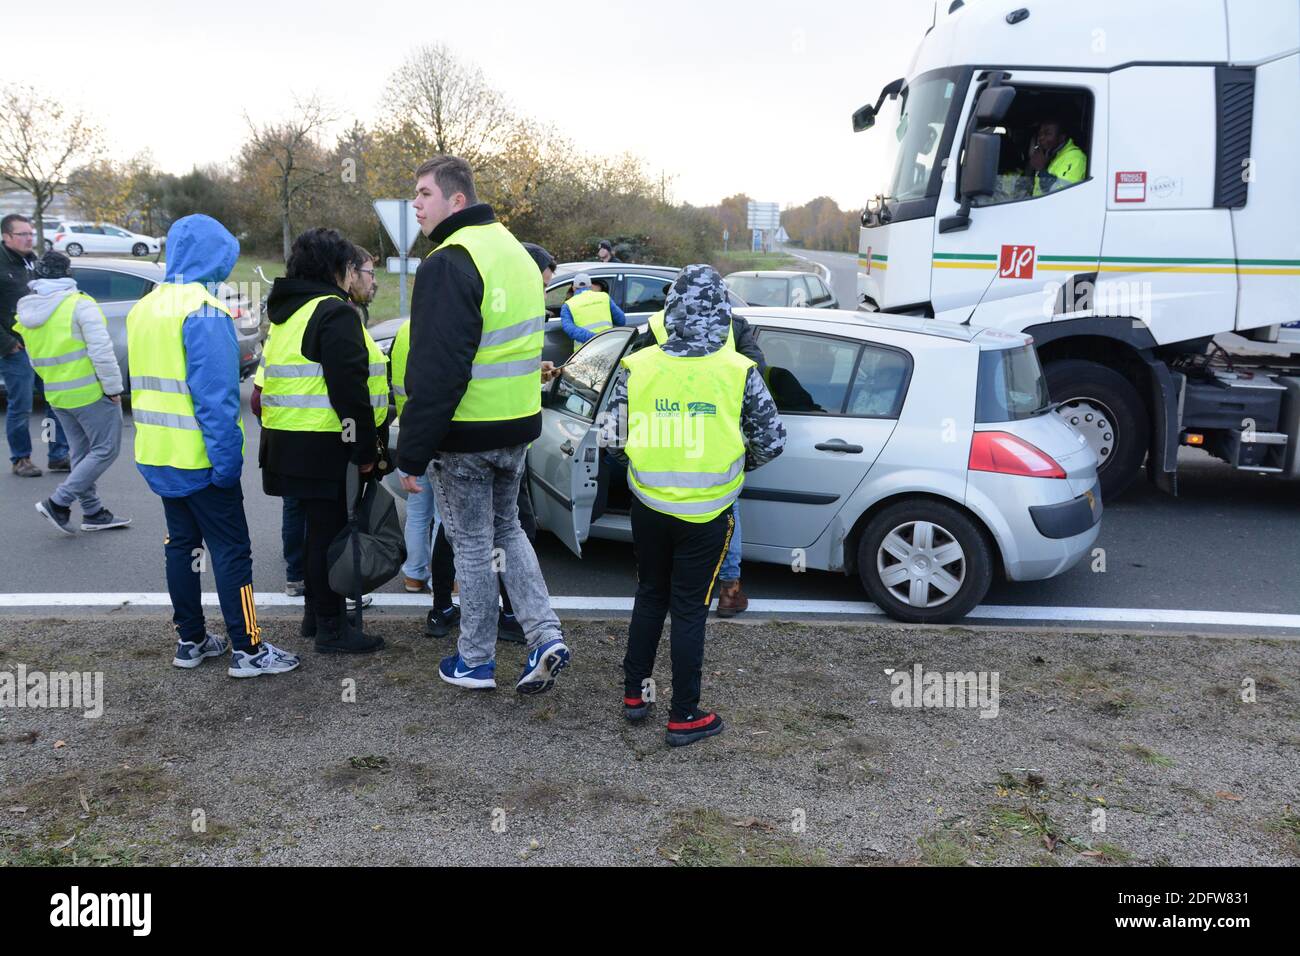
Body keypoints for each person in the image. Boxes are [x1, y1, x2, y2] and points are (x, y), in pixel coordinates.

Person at [396, 154, 569, 694]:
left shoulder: (449, 260)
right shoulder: (516, 254)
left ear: (457, 201)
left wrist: (412, 451)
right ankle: (544, 634)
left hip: (467, 433)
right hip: (515, 425)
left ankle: (474, 660)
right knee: (507, 531)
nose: (415, 204)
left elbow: (438, 369)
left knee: (471, 546)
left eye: (424, 193)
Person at [598, 264, 786, 747]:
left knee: (650, 596)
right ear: (724, 313)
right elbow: (771, 440)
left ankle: (636, 696)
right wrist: (734, 468)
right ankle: (684, 715)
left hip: (648, 505)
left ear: (671, 310)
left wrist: (645, 464)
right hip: (708, 513)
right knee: (688, 609)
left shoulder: (639, 365)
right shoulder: (738, 371)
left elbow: (610, 438)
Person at [127, 214, 299, 677]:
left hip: (158, 455)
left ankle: (191, 640)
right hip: (201, 460)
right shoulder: (205, 312)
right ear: (217, 257)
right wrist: (227, 463)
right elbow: (217, 403)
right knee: (231, 550)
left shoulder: (145, 307)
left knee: (180, 546)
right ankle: (249, 650)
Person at [259, 229, 389, 655]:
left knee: (317, 535)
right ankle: (333, 630)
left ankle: (317, 618)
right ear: (338, 269)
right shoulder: (334, 313)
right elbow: (348, 391)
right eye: (353, 267)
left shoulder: (287, 313)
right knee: (329, 537)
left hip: (286, 445)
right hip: (323, 447)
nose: (356, 274)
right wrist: (366, 452)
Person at [640, 301, 767, 616]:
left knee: (664, 500)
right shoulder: (734, 325)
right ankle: (729, 589)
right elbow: (756, 368)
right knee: (725, 502)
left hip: (664, 428)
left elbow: (638, 373)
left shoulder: (658, 323)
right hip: (714, 429)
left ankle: (667, 584)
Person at [17, 251, 131, 534]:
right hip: (90, 392)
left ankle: (93, 513)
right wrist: (114, 388)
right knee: (106, 450)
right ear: (68, 274)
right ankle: (58, 502)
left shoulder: (27, 309)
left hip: (56, 393)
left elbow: (33, 358)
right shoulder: (79, 304)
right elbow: (102, 352)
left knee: (82, 452)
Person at [2, 214, 70, 476]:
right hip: (15, 350)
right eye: (23, 234)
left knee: (54, 402)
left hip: (42, 347)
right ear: (7, 236)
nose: (29, 238)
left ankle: (57, 453)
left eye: (31, 233)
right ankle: (21, 458)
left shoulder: (33, 261)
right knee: (21, 407)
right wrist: (8, 344)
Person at [561, 273, 626, 352]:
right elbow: (621, 320)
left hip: (584, 351)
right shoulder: (604, 297)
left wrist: (593, 338)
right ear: (590, 286)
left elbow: (569, 329)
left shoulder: (568, 305)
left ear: (573, 287)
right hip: (608, 347)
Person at [1028, 117, 1087, 196]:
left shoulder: (1076, 158)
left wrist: (1041, 169)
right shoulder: (1050, 155)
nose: (1041, 138)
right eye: (1040, 134)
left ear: (1061, 137)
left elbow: (1063, 194)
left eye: (1048, 133)